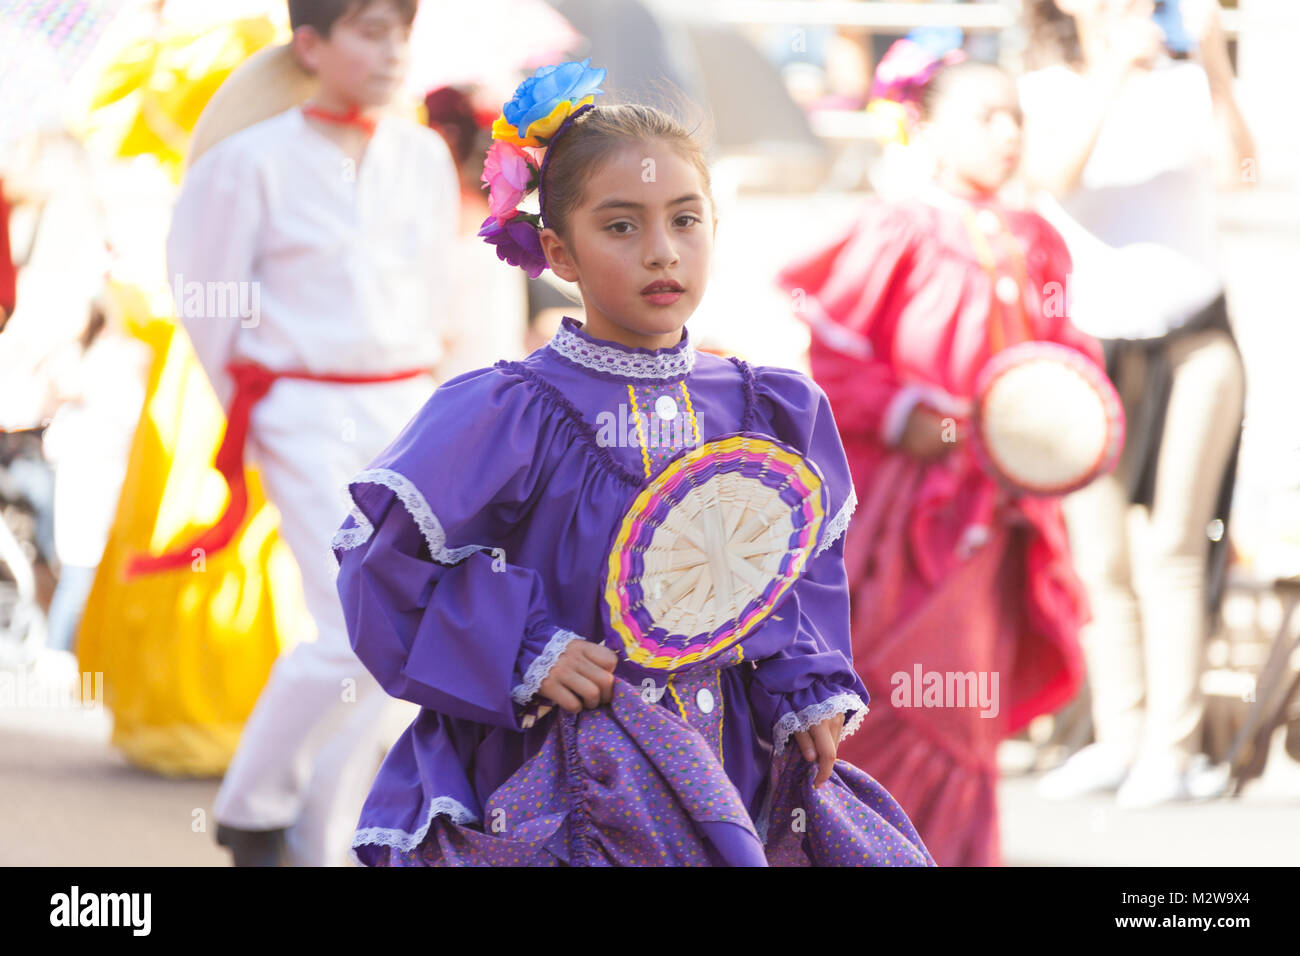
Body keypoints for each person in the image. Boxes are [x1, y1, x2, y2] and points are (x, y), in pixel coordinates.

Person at [332, 58, 935, 866]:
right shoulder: (504, 412)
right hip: (559, 773)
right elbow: (380, 563)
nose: (662, 252)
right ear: (559, 250)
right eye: (621, 226)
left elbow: (798, 564)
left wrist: (807, 681)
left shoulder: (768, 409)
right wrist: (525, 647)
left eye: (685, 220)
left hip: (729, 761)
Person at [775, 46, 1104, 866]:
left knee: (966, 707)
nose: (1006, 133)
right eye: (984, 117)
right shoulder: (901, 228)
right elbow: (838, 358)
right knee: (897, 696)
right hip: (908, 514)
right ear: (925, 127)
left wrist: (1071, 427)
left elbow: (1067, 361)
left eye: (1015, 117)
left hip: (998, 518)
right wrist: (905, 412)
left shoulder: (1037, 241)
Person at [160, 0, 459, 866]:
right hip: (301, 407)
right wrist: (256, 410)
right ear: (310, 44)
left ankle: (320, 836)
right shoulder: (248, 159)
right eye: (370, 30)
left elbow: (443, 294)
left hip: (408, 407)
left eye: (402, 30)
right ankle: (253, 804)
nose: (393, 50)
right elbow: (205, 294)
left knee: (403, 635)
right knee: (350, 623)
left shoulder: (423, 153)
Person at [1020, 0, 1251, 807]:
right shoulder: (1048, 85)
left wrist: (1217, 67)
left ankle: (1174, 749)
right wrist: (1111, 69)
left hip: (1196, 344)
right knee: (1102, 561)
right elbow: (1051, 177)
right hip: (1093, 358)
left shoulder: (1187, 84)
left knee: (1172, 551)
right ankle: (1120, 736)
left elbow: (1239, 173)